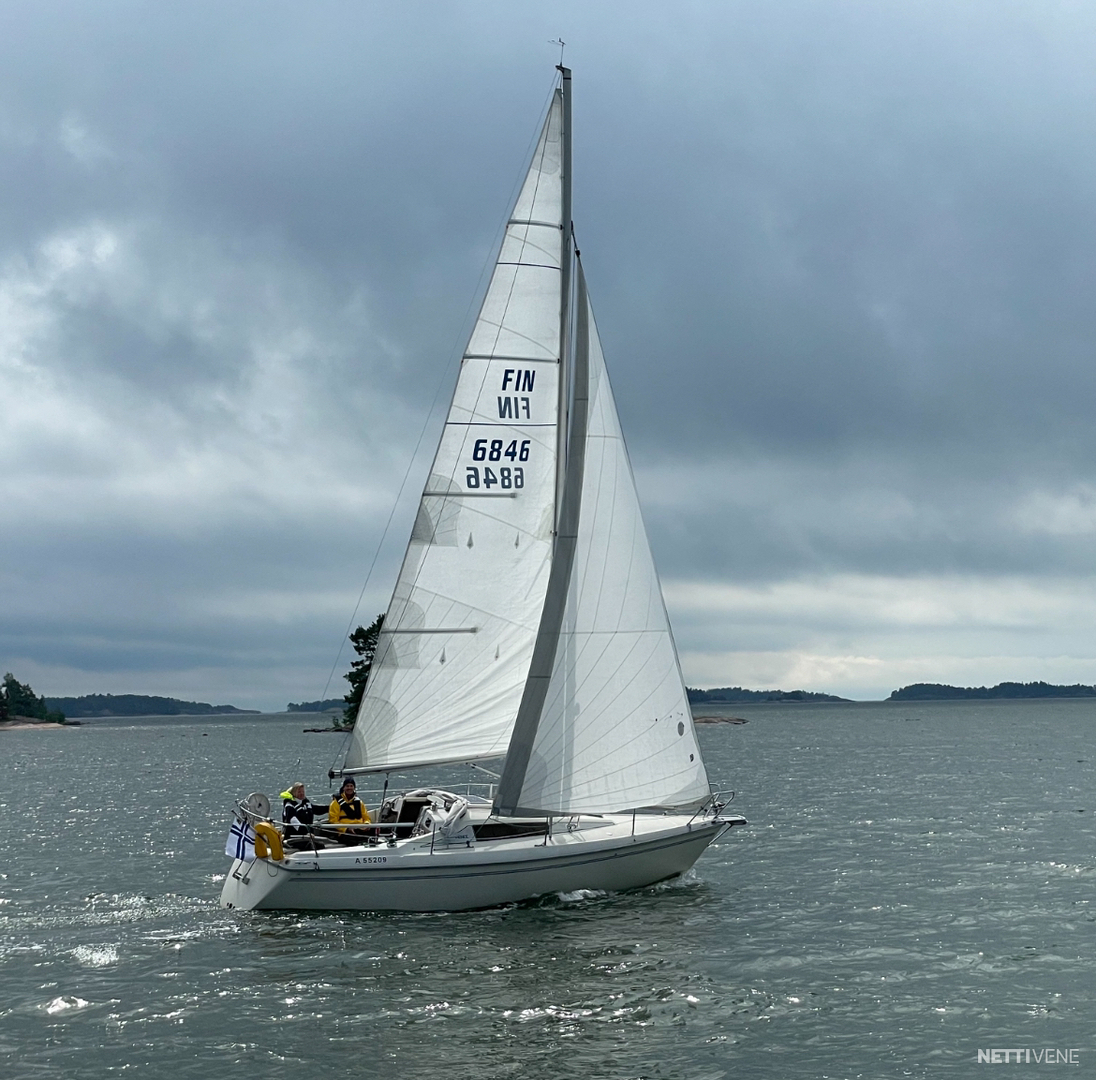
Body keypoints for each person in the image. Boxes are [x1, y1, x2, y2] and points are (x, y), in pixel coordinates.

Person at [327, 777, 372, 844]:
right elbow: (333, 821)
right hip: (345, 831)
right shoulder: (335, 803)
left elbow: (366, 817)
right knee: (352, 840)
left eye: (351, 786)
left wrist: (366, 825)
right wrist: (346, 829)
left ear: (354, 788)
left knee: (375, 833)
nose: (349, 788)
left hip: (359, 829)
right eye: (347, 786)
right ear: (344, 788)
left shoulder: (359, 802)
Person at [280, 782, 318, 848]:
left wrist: (330, 807)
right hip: (294, 837)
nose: (302, 793)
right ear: (294, 793)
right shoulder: (289, 806)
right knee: (317, 846)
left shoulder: (305, 803)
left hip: (307, 836)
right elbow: (294, 822)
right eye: (299, 792)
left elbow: (317, 809)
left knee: (320, 845)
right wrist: (306, 833)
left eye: (303, 791)